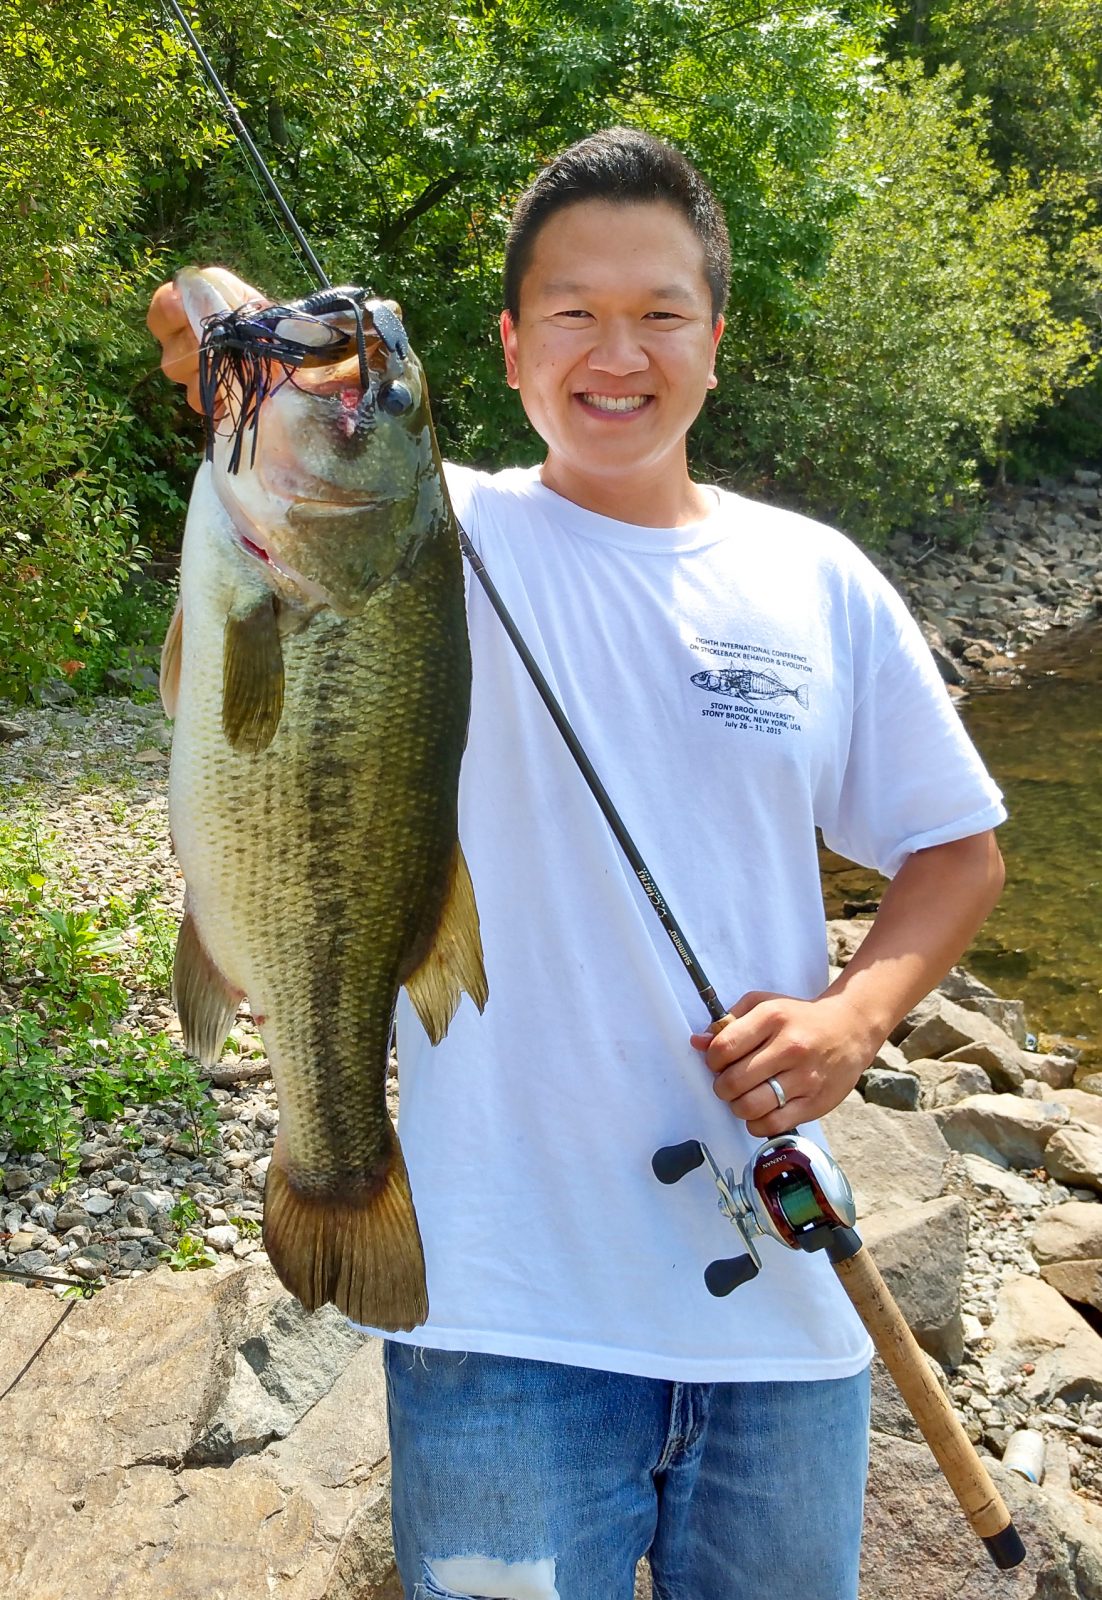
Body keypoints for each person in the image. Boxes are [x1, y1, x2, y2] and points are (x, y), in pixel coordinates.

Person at [148, 127, 1006, 1600]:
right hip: (498, 1308)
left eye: (660, 312)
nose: (618, 352)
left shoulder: (815, 577)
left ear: (716, 341)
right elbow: (198, 338)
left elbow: (955, 850)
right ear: (509, 344)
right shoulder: (439, 527)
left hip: (782, 1322)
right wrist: (227, 322)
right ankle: (334, 1161)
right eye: (573, 313)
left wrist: (855, 1019)